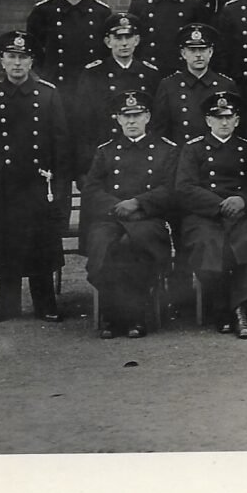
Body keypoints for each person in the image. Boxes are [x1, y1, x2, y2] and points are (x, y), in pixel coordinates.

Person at [0, 30, 71, 324]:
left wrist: (61, 185)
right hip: (5, 183)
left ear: (31, 61)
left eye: (23, 57)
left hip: (40, 181)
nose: (17, 63)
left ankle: (46, 304)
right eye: (11, 57)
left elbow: (61, 143)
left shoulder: (48, 94)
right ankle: (7, 305)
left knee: (41, 242)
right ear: (2, 60)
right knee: (7, 243)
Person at [81, 89, 177, 339]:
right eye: (126, 116)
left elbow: (171, 189)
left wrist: (138, 203)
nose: (132, 121)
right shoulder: (106, 151)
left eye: (137, 115)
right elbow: (91, 190)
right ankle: (112, 317)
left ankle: (136, 316)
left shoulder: (166, 150)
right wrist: (117, 206)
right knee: (105, 245)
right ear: (118, 119)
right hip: (112, 219)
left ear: (147, 117)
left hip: (148, 219)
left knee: (134, 245)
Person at [175, 90, 247, 339]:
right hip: (204, 216)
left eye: (229, 117)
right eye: (218, 118)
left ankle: (239, 311)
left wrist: (242, 200)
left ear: (237, 120)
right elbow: (184, 187)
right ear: (208, 121)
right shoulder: (193, 149)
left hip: (240, 215)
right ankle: (225, 308)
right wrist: (219, 203)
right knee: (208, 244)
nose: (224, 123)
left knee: (246, 243)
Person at [26, 0, 113, 149]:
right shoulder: (43, 13)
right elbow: (33, 54)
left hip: (92, 94)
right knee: (58, 146)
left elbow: (108, 55)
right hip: (58, 92)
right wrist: (46, 79)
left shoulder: (101, 12)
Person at [75, 12, 163, 175]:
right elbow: (84, 125)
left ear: (136, 40)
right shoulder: (93, 73)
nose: (124, 44)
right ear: (108, 42)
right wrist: (85, 169)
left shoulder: (150, 74)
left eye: (128, 38)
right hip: (106, 157)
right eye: (118, 38)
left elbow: (157, 121)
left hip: (143, 157)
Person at [151, 22, 237, 146]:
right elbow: (159, 131)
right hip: (181, 156)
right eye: (192, 50)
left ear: (211, 52)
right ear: (183, 53)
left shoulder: (226, 85)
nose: (198, 55)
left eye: (202, 49)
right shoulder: (169, 86)